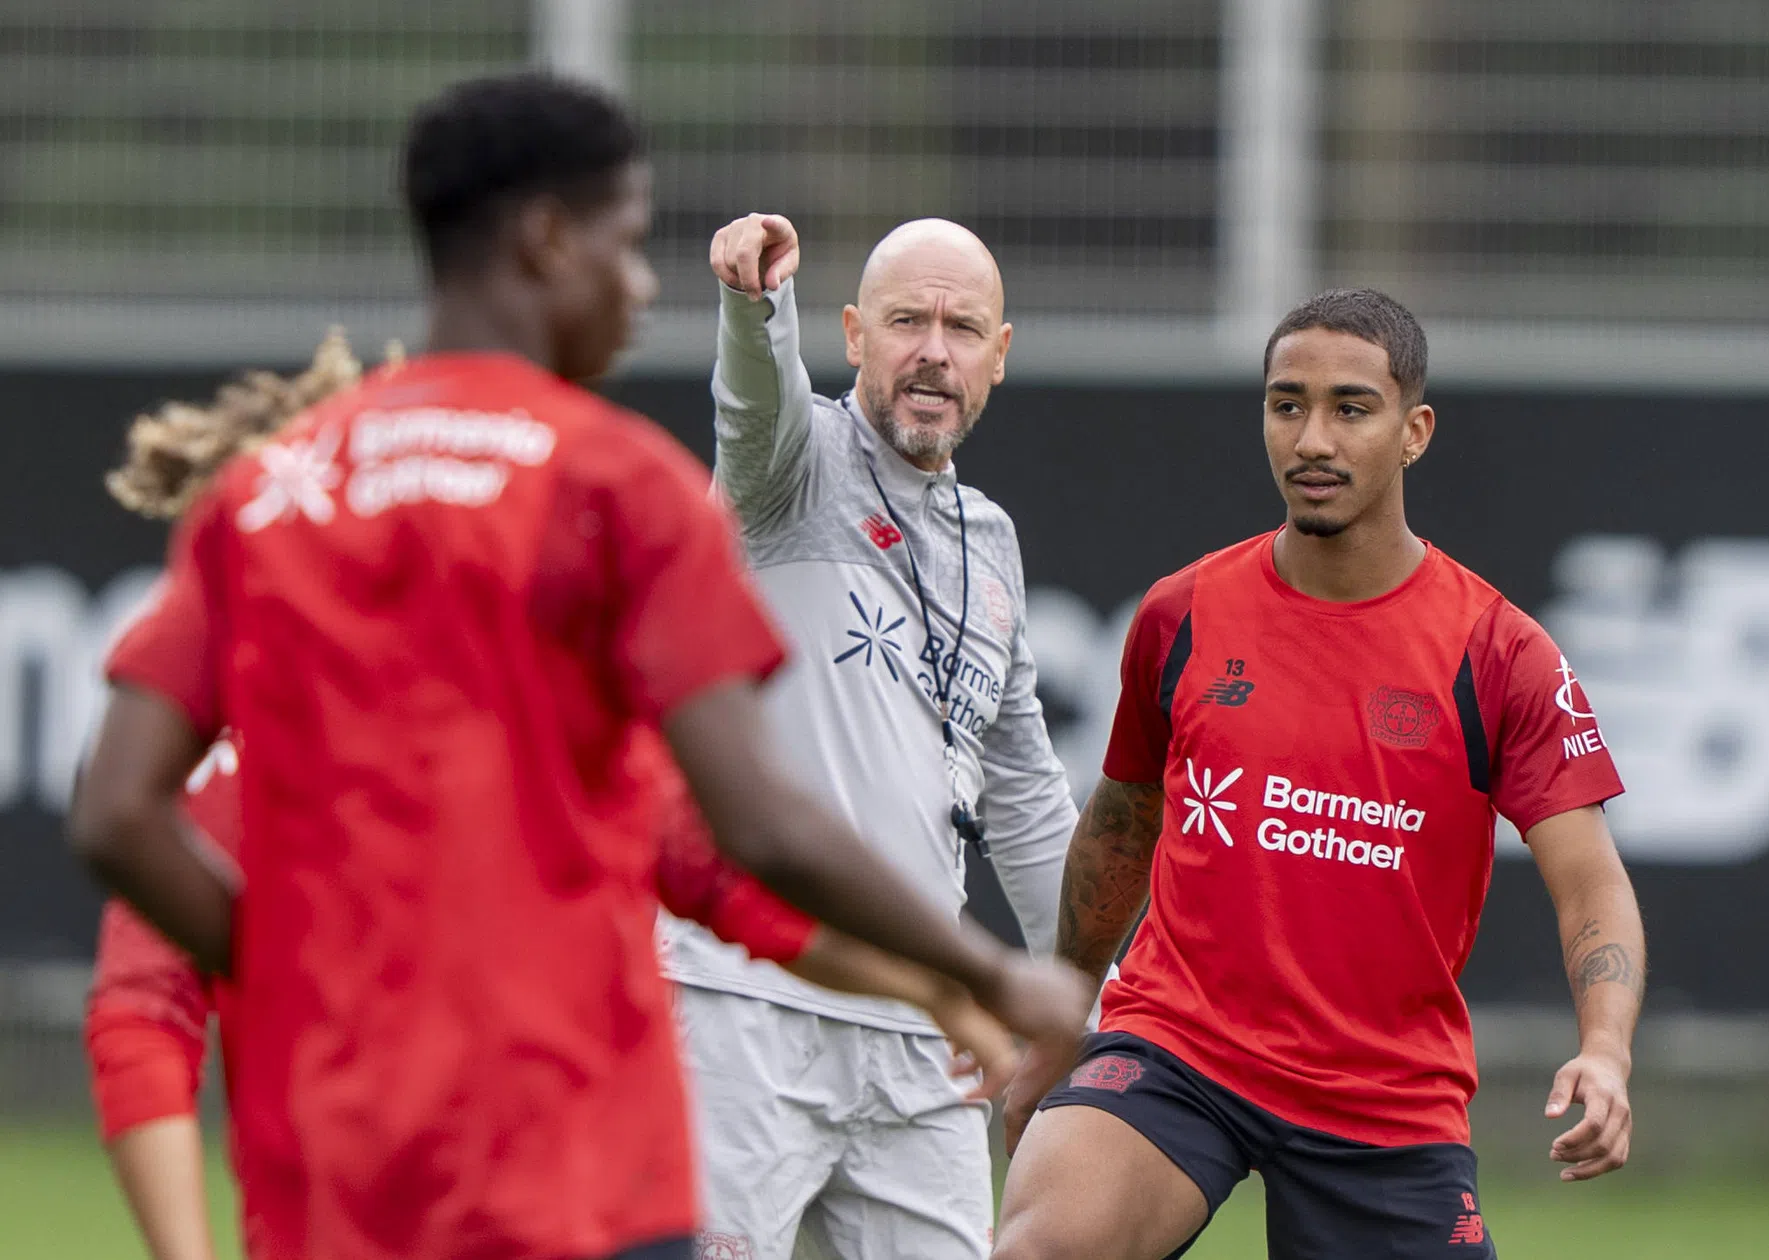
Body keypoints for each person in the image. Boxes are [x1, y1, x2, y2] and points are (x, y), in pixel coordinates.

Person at [67, 73, 1089, 1260]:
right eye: (623, 243)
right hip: (602, 1143)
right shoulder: (614, 485)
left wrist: (314, 974)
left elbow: (114, 813)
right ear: (550, 243)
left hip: (351, 1159)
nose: (639, 283)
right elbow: (740, 834)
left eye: (962, 329)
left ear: (999, 353)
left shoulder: (273, 489)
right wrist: (976, 971)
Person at [993, 289, 1646, 1260]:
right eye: (1284, 403)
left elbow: (1588, 880)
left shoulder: (1498, 652)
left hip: (1383, 1094)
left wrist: (1604, 1049)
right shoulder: (1180, 615)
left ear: (1412, 430)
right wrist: (1061, 1004)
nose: (1310, 438)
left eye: (1349, 407)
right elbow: (1123, 825)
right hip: (1178, 1047)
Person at [660, 212, 1078, 1258]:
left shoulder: (992, 543)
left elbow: (1023, 793)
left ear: (999, 354)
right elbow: (751, 410)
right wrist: (754, 307)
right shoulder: (787, 474)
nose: (932, 351)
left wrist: (1083, 995)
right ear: (851, 335)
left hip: (923, 1032)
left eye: (960, 327)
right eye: (905, 321)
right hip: (740, 1002)